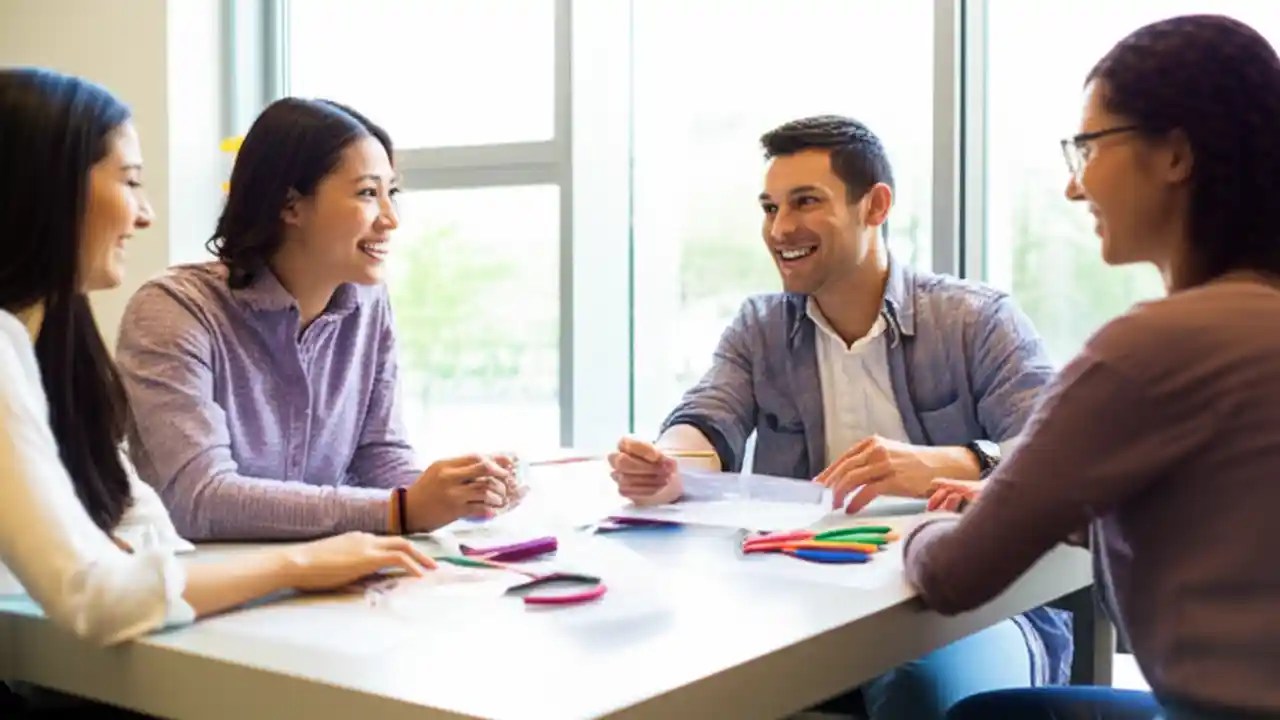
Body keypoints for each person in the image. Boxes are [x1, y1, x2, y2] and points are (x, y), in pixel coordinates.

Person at [607, 115, 1071, 719]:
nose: (780, 228)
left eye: (805, 202)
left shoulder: (974, 320)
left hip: (971, 604)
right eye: (770, 207)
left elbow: (1060, 454)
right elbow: (706, 417)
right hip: (810, 602)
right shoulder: (760, 327)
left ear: (875, 206)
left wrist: (952, 463)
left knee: (913, 687)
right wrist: (669, 463)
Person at [899, 14, 1280, 720]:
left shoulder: (1155, 347)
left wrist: (914, 532)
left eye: (1089, 146)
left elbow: (954, 577)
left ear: (1175, 154)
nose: (1075, 187)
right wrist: (1025, 504)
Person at [0, 67, 435, 649]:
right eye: (129, 182)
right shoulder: (164, 310)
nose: (146, 213)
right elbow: (98, 594)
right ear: (45, 191)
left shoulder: (41, 341)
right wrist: (304, 563)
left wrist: (433, 502)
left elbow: (138, 526)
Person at [116, 98, 516, 541]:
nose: (391, 219)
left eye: (392, 193)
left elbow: (377, 456)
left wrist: (460, 497)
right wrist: (402, 509)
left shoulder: (368, 302)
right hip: (205, 589)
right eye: (367, 193)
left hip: (324, 580)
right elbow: (201, 499)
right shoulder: (173, 311)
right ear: (290, 206)